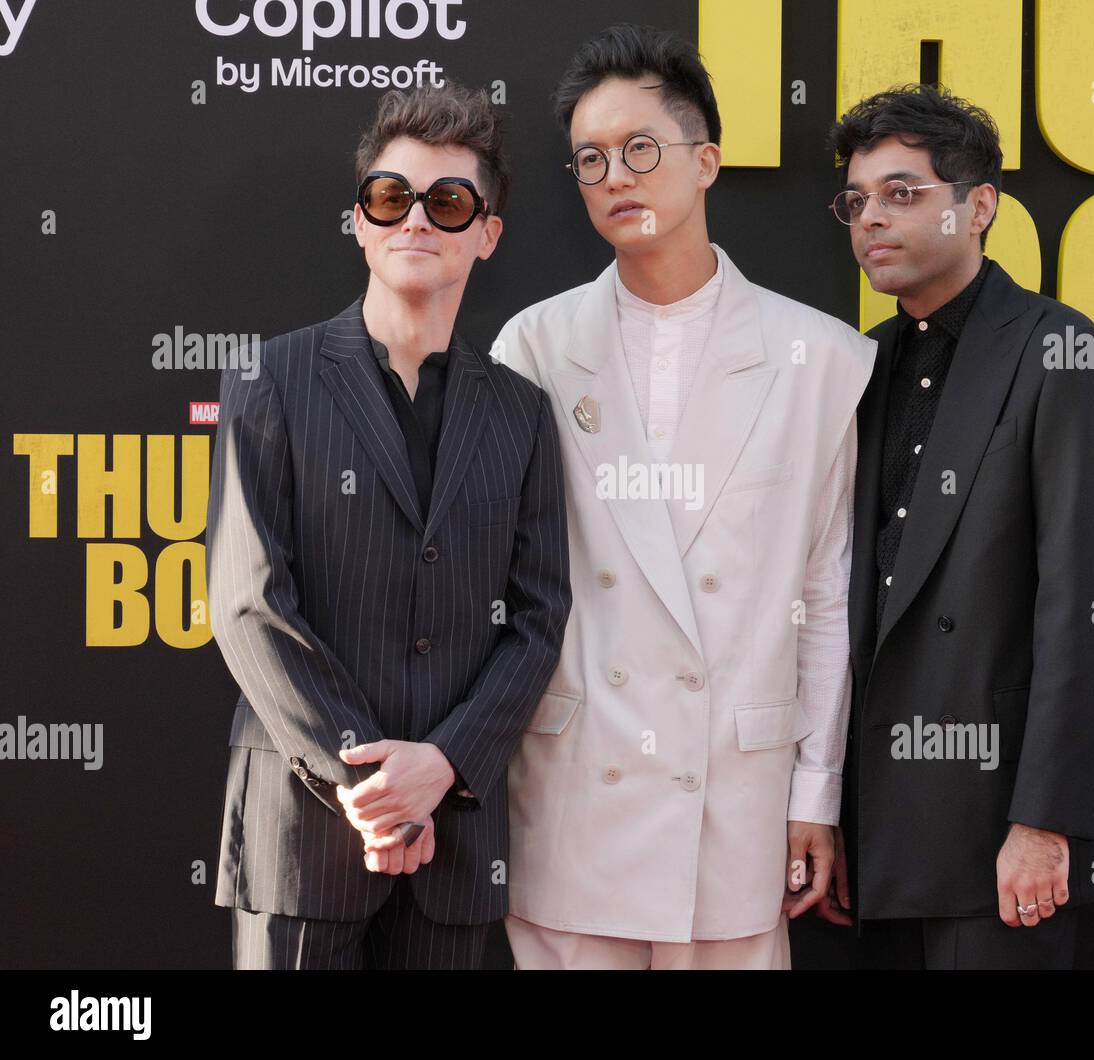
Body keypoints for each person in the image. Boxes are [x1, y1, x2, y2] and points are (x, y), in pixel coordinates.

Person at [494, 24, 875, 970]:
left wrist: (813, 796)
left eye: (639, 150)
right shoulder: (531, 351)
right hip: (576, 796)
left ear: (705, 161)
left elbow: (824, 597)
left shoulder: (819, 360)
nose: (615, 176)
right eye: (590, 159)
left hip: (734, 806)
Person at [206, 82, 571, 969]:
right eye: (389, 197)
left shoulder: (522, 412)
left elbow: (537, 619)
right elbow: (249, 605)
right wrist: (371, 787)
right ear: (361, 222)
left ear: (487, 233)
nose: (416, 221)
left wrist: (442, 764)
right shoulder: (272, 380)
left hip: (455, 836)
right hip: (302, 829)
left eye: (447, 202)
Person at [818, 83, 1094, 969]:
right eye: (857, 200)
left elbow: (1083, 609)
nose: (871, 218)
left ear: (979, 206)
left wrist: (1046, 821)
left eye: (902, 193)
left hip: (1002, 837)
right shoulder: (860, 366)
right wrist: (836, 816)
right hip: (874, 842)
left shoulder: (1060, 350)